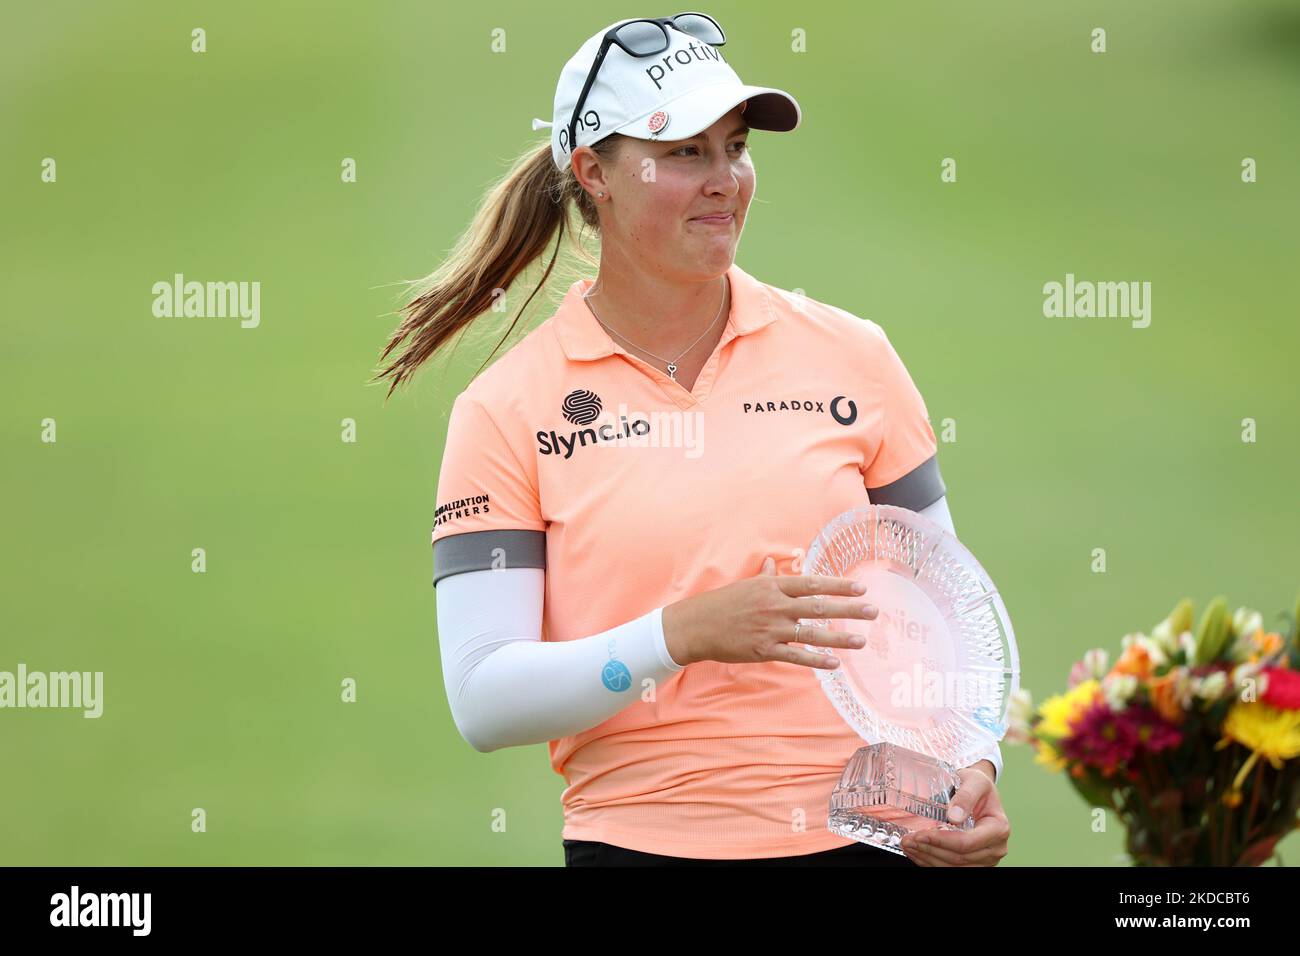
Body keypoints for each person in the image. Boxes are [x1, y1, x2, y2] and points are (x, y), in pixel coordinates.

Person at [374, 14, 1010, 866]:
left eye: (735, 148)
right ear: (594, 172)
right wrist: (678, 635)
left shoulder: (854, 354)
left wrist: (972, 765)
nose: (726, 180)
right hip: (640, 845)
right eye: (685, 153)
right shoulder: (508, 409)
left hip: (869, 838)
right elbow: (484, 700)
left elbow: (946, 618)